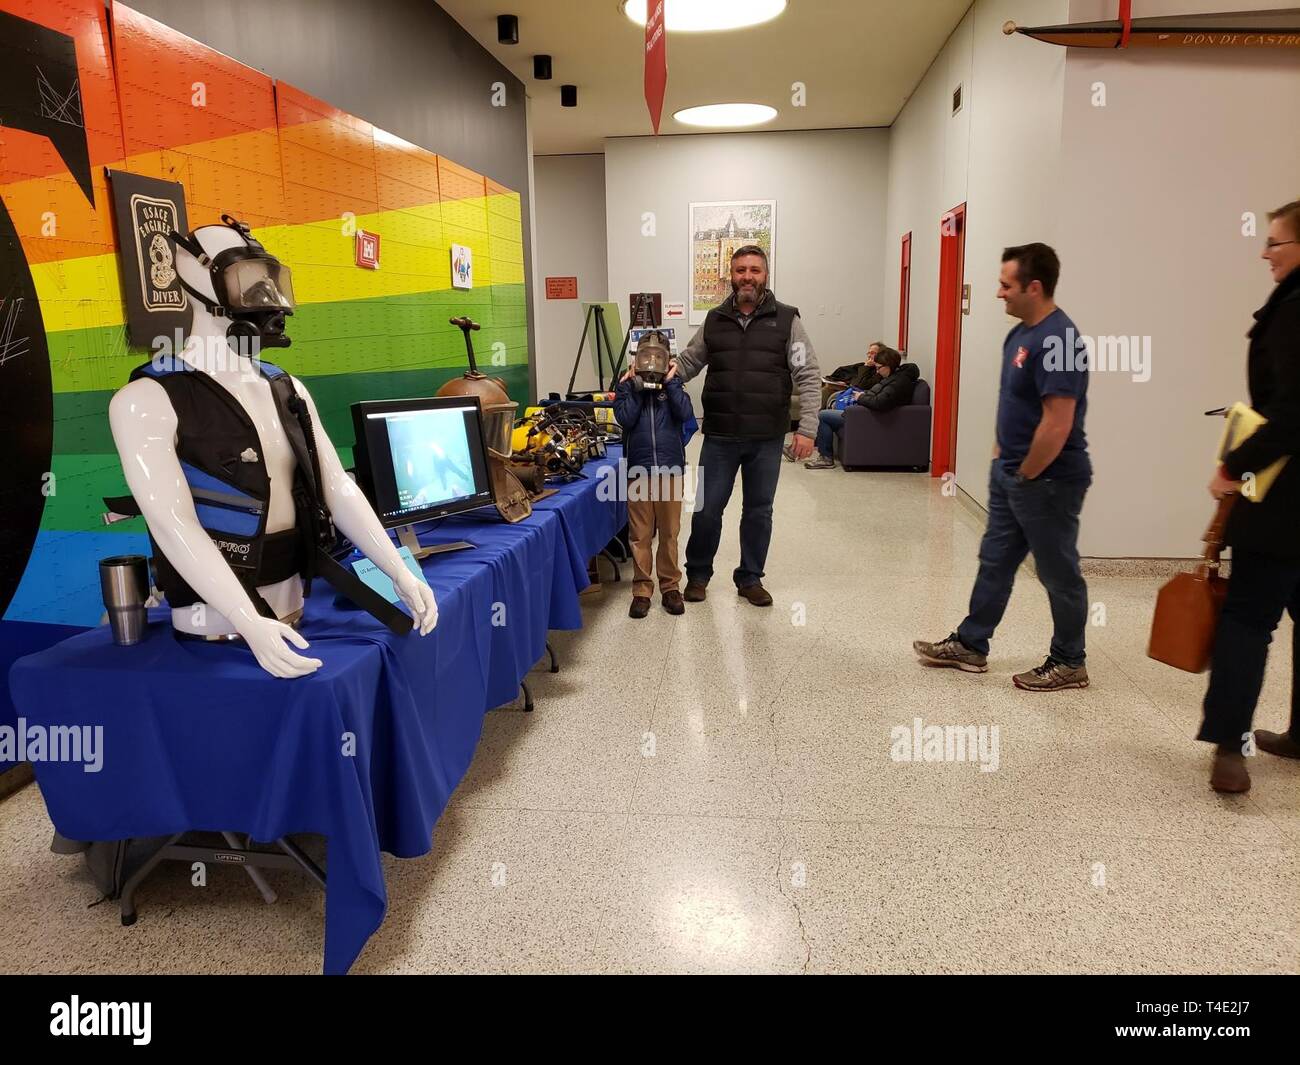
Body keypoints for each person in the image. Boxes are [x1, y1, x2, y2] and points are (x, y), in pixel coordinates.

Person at [912, 243, 1092, 691]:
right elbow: (1015, 404)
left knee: (1058, 572)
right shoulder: (1020, 334)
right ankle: (972, 644)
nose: (998, 294)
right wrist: (1000, 459)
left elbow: (1058, 422)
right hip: (1014, 474)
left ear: (1034, 287)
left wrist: (1026, 473)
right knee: (994, 561)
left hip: (1048, 479)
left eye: (1006, 285)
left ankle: (1070, 661)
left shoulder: (1060, 340)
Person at [1198, 198, 1300, 793]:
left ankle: (1229, 748)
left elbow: (1291, 413)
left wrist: (1234, 467)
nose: (1264, 252)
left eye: (1276, 243)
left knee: (1248, 619)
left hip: (1285, 499)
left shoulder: (1293, 313)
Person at [668, 244, 820, 606]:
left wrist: (808, 428)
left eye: (754, 270)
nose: (747, 276)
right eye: (740, 270)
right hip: (720, 435)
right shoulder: (714, 320)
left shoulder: (787, 321)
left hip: (766, 438)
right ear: (731, 276)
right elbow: (688, 362)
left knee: (758, 511)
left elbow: (809, 374)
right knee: (706, 510)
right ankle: (699, 575)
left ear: (765, 275)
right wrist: (653, 371)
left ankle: (750, 578)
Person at [614, 336, 696, 618]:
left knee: (670, 531)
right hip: (640, 469)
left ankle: (670, 587)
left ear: (667, 359)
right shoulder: (625, 388)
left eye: (657, 357)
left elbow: (685, 414)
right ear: (635, 360)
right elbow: (625, 419)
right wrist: (635, 388)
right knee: (640, 533)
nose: (651, 363)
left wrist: (672, 382)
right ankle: (641, 590)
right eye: (645, 357)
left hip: (670, 467)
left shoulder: (675, 387)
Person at [805, 347, 917, 469]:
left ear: (888, 365)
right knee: (828, 411)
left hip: (866, 417)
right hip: (863, 413)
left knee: (823, 416)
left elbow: (879, 403)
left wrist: (860, 398)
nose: (877, 372)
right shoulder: (894, 378)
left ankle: (825, 458)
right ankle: (818, 450)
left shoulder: (897, 382)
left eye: (879, 368)